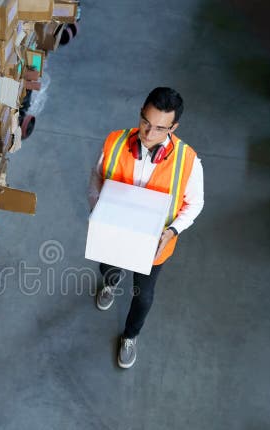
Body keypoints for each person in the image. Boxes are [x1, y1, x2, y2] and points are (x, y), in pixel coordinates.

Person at [88, 87, 204, 369]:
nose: (149, 134)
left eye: (160, 128)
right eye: (145, 123)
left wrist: (172, 231)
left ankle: (130, 335)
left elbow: (195, 203)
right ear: (141, 112)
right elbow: (97, 178)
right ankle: (111, 283)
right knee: (108, 268)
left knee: (144, 295)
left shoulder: (188, 161)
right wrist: (98, 212)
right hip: (114, 233)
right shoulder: (115, 142)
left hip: (154, 244)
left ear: (173, 127)